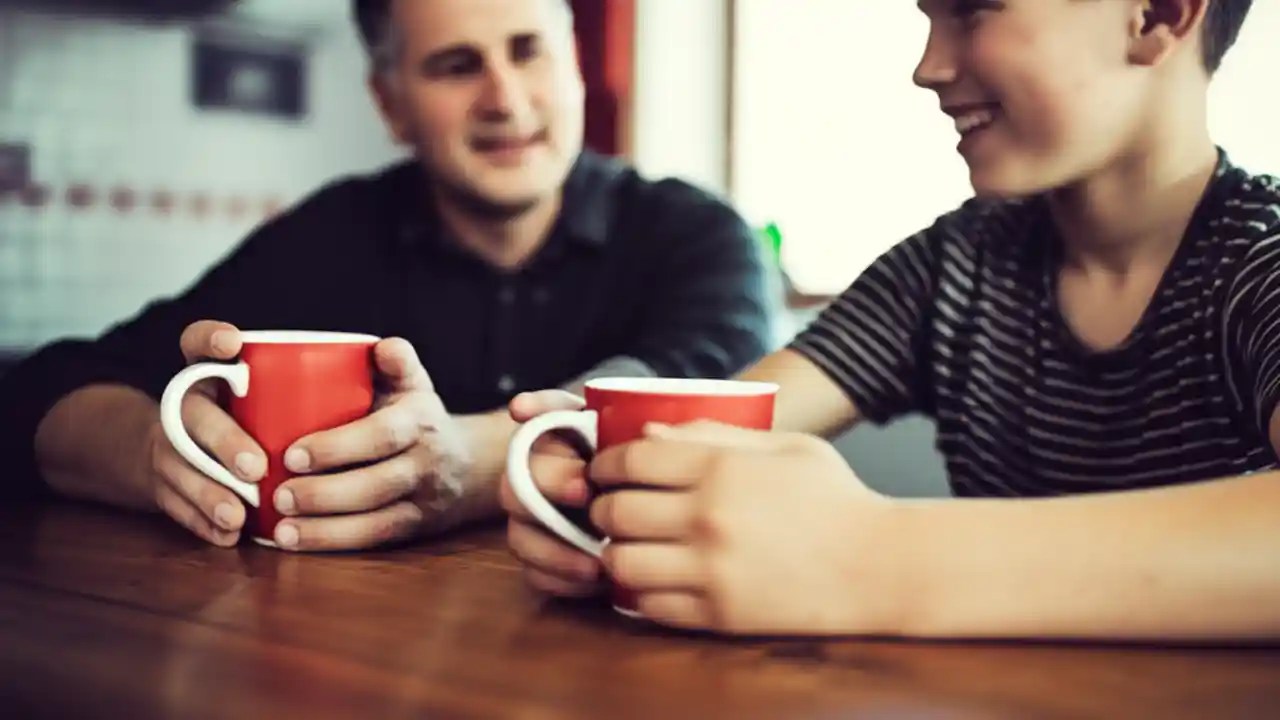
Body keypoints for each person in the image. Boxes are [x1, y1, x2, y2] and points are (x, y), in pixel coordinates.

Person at [504, 0, 1280, 641]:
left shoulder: (1260, 261)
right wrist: (588, 480)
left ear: (1158, 14)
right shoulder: (953, 266)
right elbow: (727, 423)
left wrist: (868, 555)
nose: (928, 66)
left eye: (972, 10)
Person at [0, 0, 773, 552]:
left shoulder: (699, 237)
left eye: (527, 49)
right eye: (456, 66)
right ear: (390, 104)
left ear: (574, 66)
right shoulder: (325, 238)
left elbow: (704, 393)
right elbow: (49, 387)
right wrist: (151, 454)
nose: (504, 99)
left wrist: (469, 465)